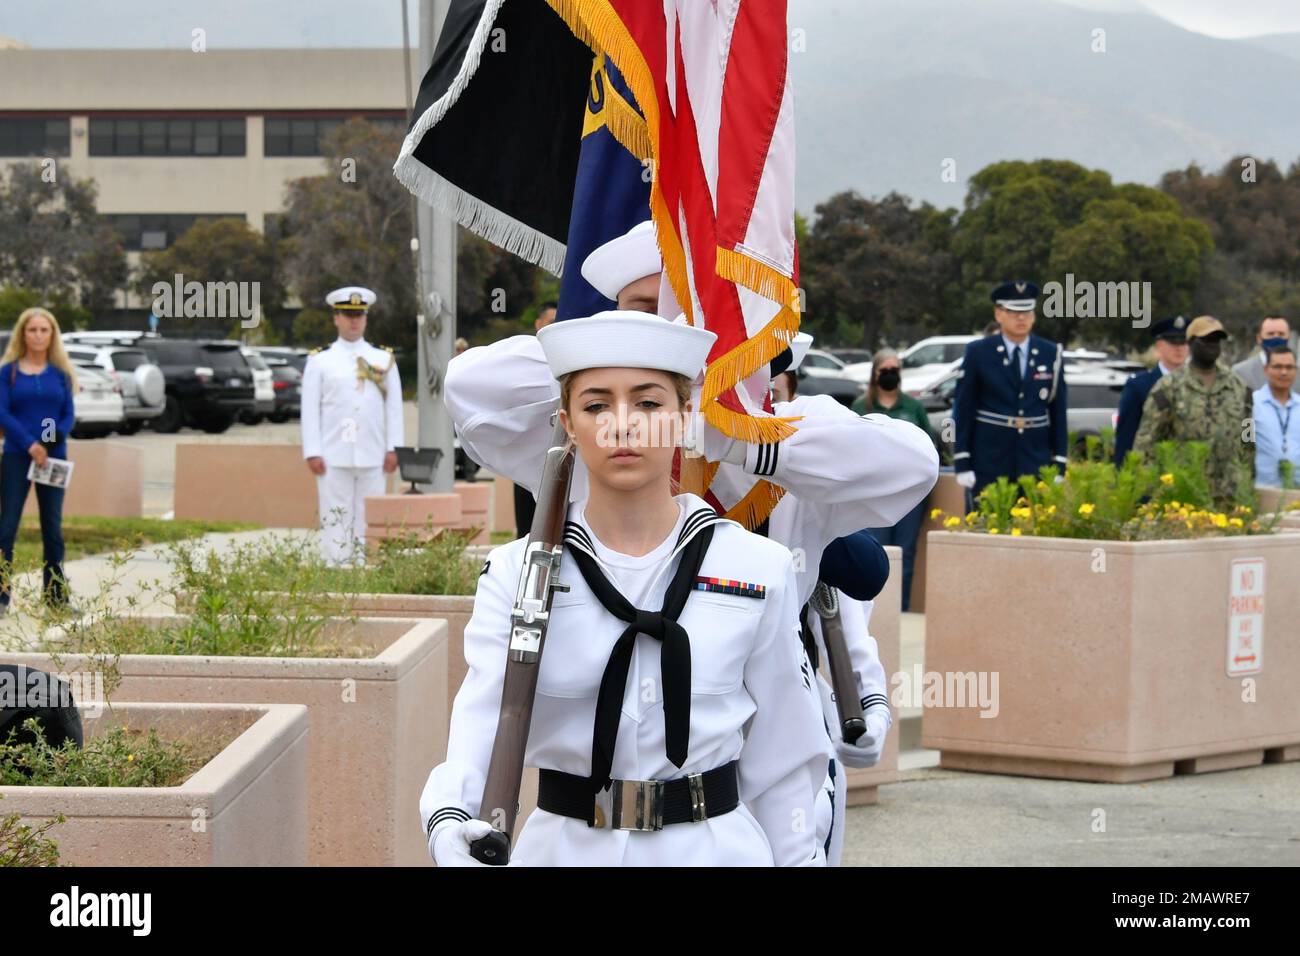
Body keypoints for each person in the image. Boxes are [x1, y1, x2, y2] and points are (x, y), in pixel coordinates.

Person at [422, 311, 830, 866]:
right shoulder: (517, 573)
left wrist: (798, 857)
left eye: (648, 403)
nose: (622, 424)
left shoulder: (757, 568)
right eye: (595, 405)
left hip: (714, 848)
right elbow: (484, 716)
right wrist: (450, 818)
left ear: (686, 415)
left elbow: (783, 754)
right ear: (567, 423)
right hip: (564, 850)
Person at [300, 286, 403, 567]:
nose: (353, 320)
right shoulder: (320, 360)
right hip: (333, 453)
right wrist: (312, 450)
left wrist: (394, 448)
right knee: (335, 512)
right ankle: (336, 566)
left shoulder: (383, 359)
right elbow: (310, 409)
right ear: (336, 318)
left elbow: (393, 407)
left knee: (369, 512)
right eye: (348, 314)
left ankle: (367, 565)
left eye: (359, 314)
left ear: (366, 318)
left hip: (373, 451)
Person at [952, 281, 1068, 498]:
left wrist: (1059, 460)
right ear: (998, 314)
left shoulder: (1050, 353)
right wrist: (962, 459)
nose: (1021, 318)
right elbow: (963, 409)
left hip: (1035, 458)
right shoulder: (979, 352)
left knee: (1033, 526)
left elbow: (1058, 412)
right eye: (1014, 312)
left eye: (1027, 311)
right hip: (990, 459)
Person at [0, 308, 78, 615]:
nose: (38, 335)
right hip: (18, 456)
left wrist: (46, 443)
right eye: (32, 330)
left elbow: (66, 415)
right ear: (23, 334)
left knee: (53, 529)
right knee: (7, 527)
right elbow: (4, 413)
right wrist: (30, 444)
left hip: (53, 459)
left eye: (44, 330)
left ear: (52, 335)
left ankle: (56, 598)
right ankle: (1, 597)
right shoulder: (9, 372)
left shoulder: (59, 374)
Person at [1134, 316, 1254, 507]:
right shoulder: (1168, 387)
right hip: (1183, 494)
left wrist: (1245, 478)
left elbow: (1248, 438)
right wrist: (1149, 492)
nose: (1211, 345)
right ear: (1190, 343)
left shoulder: (1239, 387)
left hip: (1229, 495)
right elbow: (1147, 442)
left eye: (1216, 340)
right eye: (1204, 340)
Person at [853, 347, 936, 611]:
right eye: (885, 370)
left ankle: (901, 609)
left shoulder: (913, 407)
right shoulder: (860, 406)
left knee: (905, 552)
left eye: (895, 370)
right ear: (875, 374)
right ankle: (878, 610)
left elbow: (929, 449)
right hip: (873, 495)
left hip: (910, 497)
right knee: (877, 551)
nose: (891, 375)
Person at [1113, 316, 1190, 464]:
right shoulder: (1139, 385)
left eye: (1184, 342)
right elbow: (1126, 436)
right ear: (1159, 346)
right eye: (1173, 342)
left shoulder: (1197, 384)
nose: (1179, 348)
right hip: (1150, 469)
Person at [1252, 345, 1300, 488]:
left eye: (1289, 367)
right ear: (1266, 370)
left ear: (1296, 371)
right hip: (1262, 487)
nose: (1284, 372)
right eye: (1278, 367)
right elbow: (1244, 446)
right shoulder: (1250, 405)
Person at [1232, 316, 1291, 392]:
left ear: (1289, 337)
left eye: (1281, 334)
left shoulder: (1297, 373)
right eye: (1270, 334)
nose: (1276, 338)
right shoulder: (1240, 372)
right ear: (1259, 338)